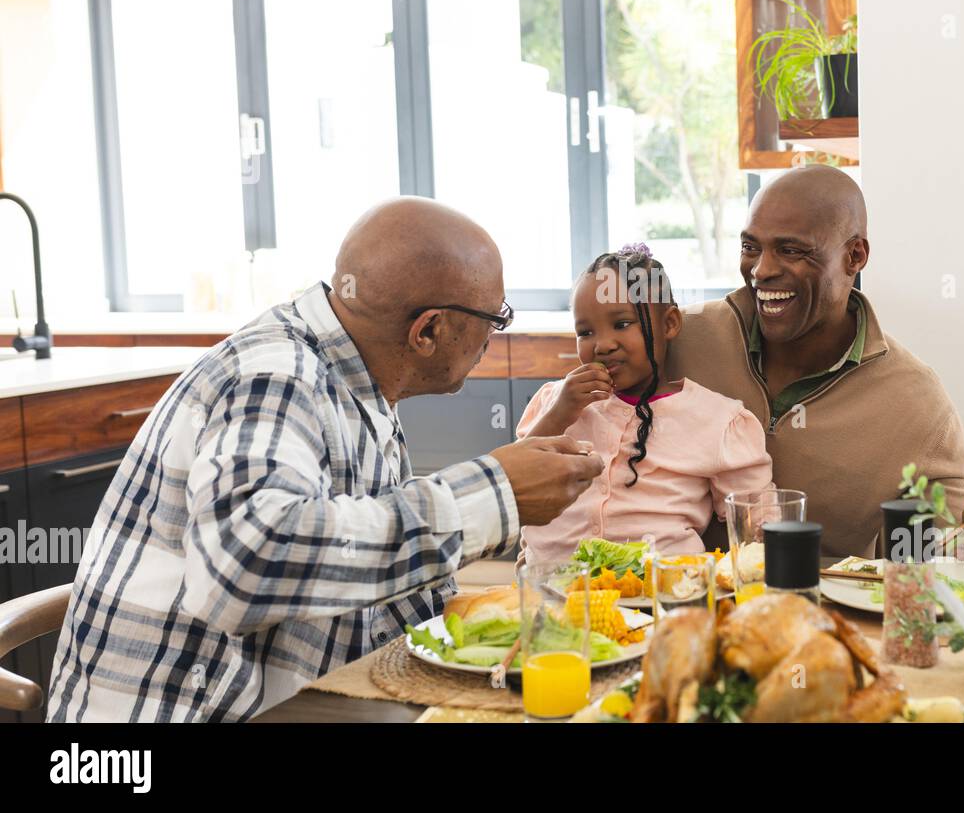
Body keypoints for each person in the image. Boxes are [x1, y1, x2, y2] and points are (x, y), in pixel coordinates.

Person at [46, 198, 603, 722]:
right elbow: (245, 564)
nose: (492, 338)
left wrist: (490, 609)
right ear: (429, 330)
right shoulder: (277, 375)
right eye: (495, 317)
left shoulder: (354, 380)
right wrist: (494, 494)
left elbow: (349, 558)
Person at [665, 165, 964, 559]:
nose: (761, 270)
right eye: (751, 247)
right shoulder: (678, 341)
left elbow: (954, 538)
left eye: (790, 250)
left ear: (854, 256)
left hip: (828, 615)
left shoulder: (914, 398)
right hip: (669, 609)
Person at [516, 244, 773, 569]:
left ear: (668, 324)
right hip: (551, 591)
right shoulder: (554, 402)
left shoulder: (717, 420)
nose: (603, 344)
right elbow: (513, 479)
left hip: (660, 593)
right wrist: (558, 414)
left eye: (622, 324)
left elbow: (755, 516)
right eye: (585, 332)